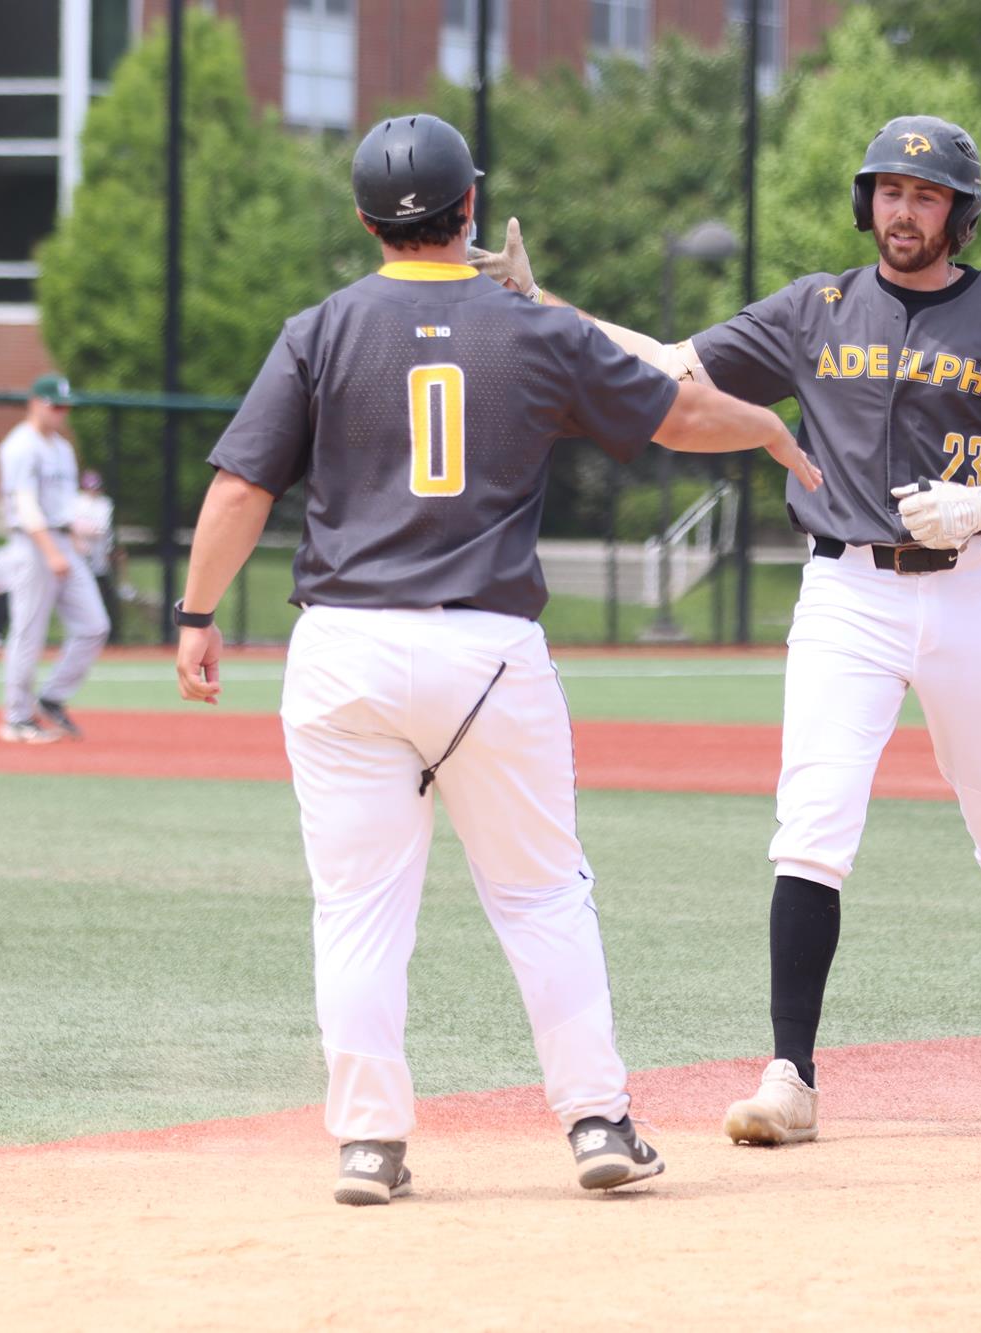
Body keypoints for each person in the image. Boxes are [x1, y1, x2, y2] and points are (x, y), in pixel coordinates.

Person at [172, 113, 822, 1207]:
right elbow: (678, 412)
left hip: (344, 646)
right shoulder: (534, 327)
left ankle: (368, 1142)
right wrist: (764, 426)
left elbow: (241, 488)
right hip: (485, 651)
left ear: (364, 218)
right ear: (469, 207)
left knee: (358, 909)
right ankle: (597, 1121)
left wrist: (197, 612)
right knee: (540, 895)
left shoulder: (319, 329)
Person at [475, 114, 981, 1144]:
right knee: (812, 824)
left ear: (959, 214)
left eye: (926, 195)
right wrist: (546, 307)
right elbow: (671, 366)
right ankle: (789, 1076)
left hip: (972, 590)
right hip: (847, 592)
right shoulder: (815, 309)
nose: (904, 210)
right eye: (889, 190)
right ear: (867, 202)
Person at [0, 372, 109, 743]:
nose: (61, 412)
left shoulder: (61, 448)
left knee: (94, 625)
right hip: (32, 545)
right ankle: (16, 718)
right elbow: (25, 505)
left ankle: (52, 697)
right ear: (35, 403)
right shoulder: (20, 446)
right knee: (28, 632)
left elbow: (63, 504)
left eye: (65, 407)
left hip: (61, 541)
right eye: (54, 405)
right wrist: (50, 551)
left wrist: (71, 540)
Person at [68, 469, 124, 640]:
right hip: (79, 559)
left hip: (100, 559)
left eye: (95, 487)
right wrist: (80, 531)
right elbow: (71, 526)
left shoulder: (104, 504)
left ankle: (111, 639)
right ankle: (79, 634)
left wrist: (83, 529)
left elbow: (100, 529)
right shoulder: (76, 501)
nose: (93, 491)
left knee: (105, 597)